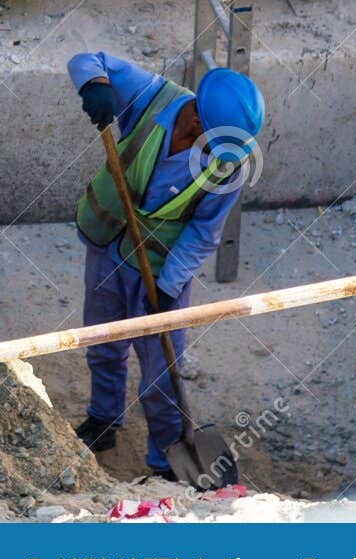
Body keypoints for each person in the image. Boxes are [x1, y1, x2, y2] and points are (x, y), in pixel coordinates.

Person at [67, 50, 265, 479]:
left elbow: (203, 233)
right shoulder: (152, 96)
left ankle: (166, 462)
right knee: (103, 343)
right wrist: (95, 87)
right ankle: (104, 420)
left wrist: (169, 288)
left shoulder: (227, 165)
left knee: (161, 377)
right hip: (108, 244)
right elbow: (89, 58)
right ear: (197, 120)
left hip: (162, 269)